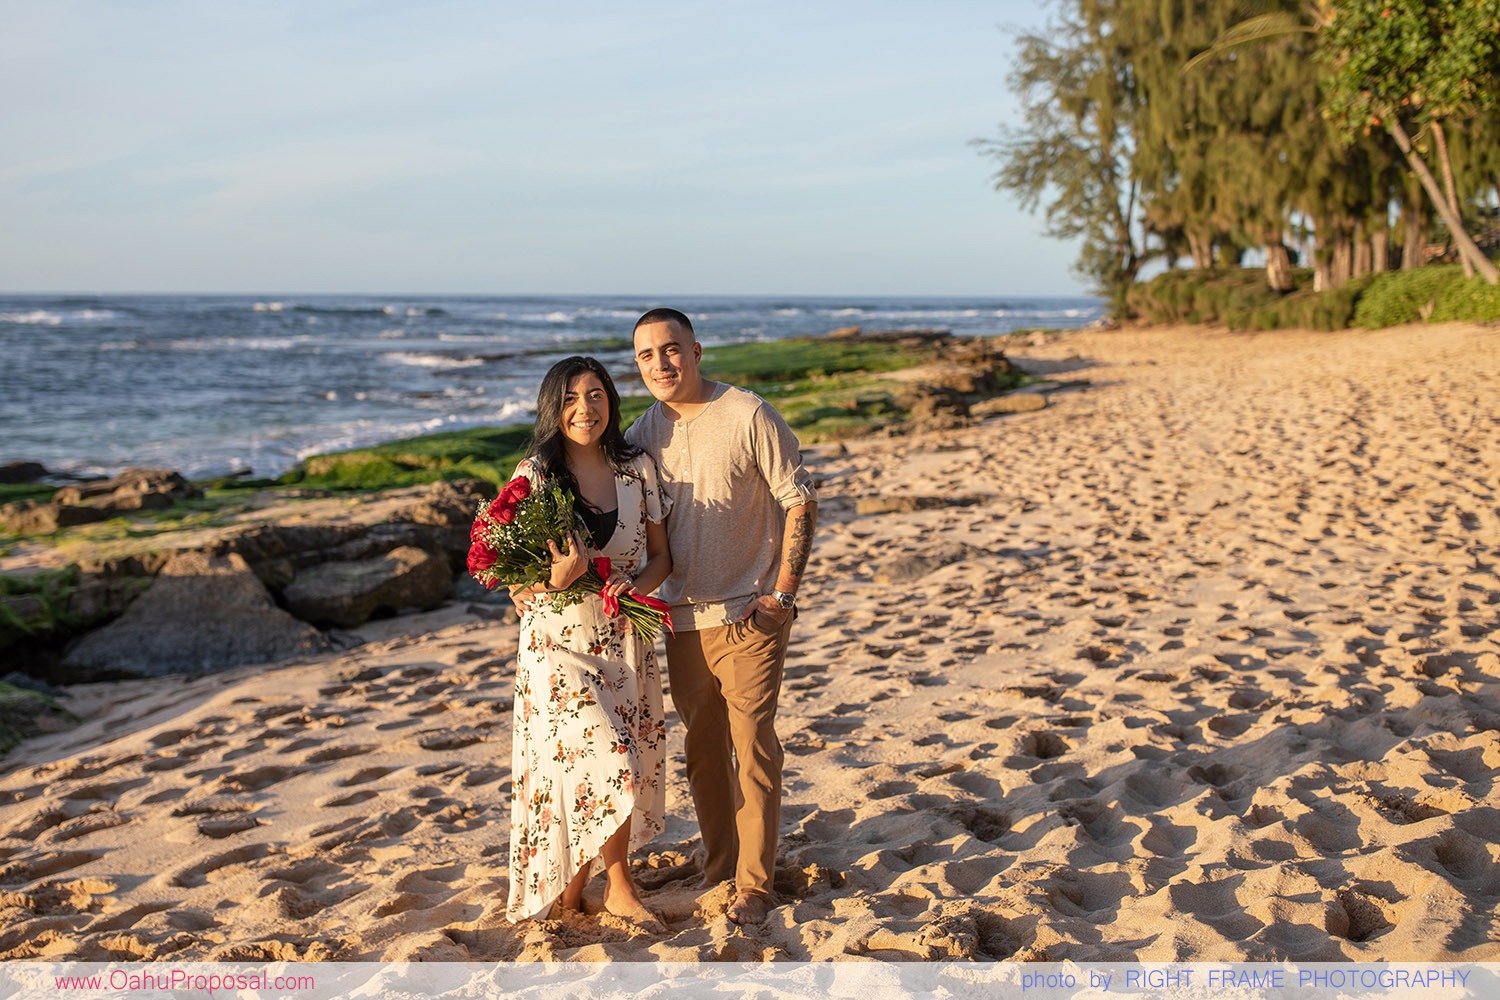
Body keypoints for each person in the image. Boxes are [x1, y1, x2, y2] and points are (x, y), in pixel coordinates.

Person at [625, 307, 818, 926]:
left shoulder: (747, 413)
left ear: (697, 350)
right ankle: (720, 870)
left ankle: (756, 887)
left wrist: (781, 595)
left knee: (753, 747)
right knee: (703, 752)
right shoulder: (637, 436)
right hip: (679, 621)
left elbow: (800, 500)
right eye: (646, 355)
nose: (661, 363)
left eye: (671, 349)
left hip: (750, 612)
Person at [503, 355, 672, 925]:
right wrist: (550, 580)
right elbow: (509, 573)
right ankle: (619, 887)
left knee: (589, 764)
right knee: (603, 755)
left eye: (596, 395)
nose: (585, 409)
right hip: (557, 642)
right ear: (554, 407)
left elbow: (661, 558)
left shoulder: (637, 469)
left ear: (611, 402)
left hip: (621, 637)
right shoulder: (533, 477)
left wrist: (633, 588)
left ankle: (573, 891)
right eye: (572, 398)